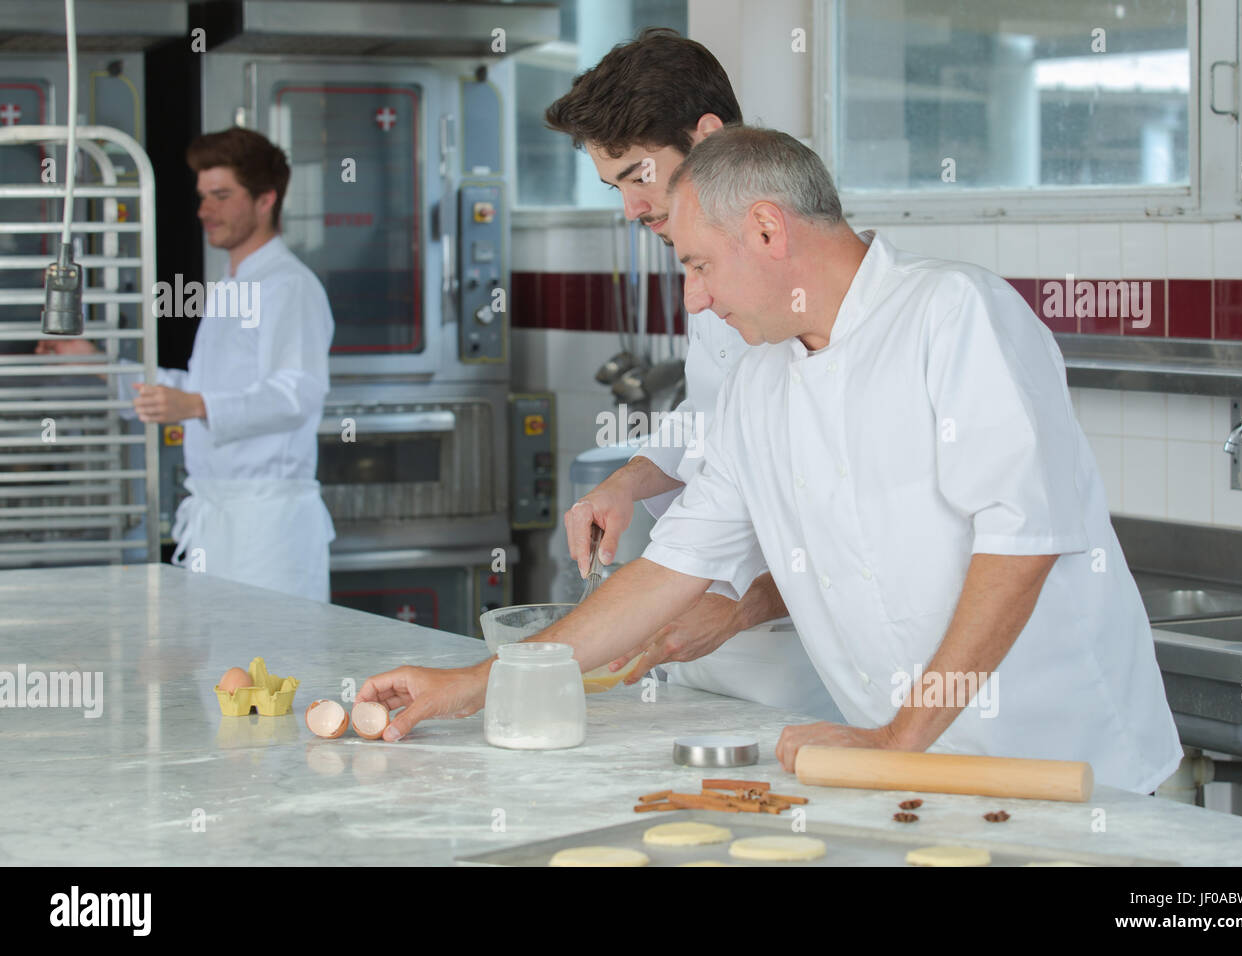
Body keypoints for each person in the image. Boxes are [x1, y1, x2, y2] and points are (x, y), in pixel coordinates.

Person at [358, 126, 1183, 794]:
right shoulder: (761, 383)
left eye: (698, 264)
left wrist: (902, 735)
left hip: (1067, 769)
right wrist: (478, 683)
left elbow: (1022, 542)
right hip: (904, 777)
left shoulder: (954, 314)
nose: (695, 298)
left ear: (765, 228)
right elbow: (674, 565)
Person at [544, 28, 840, 721]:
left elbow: (856, 526)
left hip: (797, 657)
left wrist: (743, 604)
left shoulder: (800, 289)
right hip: (696, 625)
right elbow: (719, 414)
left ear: (706, 138)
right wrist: (633, 477)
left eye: (635, 176)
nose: (630, 209)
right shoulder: (715, 283)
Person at [40, 128, 335, 601]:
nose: (204, 211)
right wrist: (96, 361)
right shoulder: (229, 287)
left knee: (277, 671)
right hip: (217, 523)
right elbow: (194, 390)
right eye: (202, 197)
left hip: (267, 533)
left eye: (221, 196)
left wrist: (196, 404)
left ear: (266, 200)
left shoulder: (289, 287)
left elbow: (296, 394)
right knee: (225, 673)